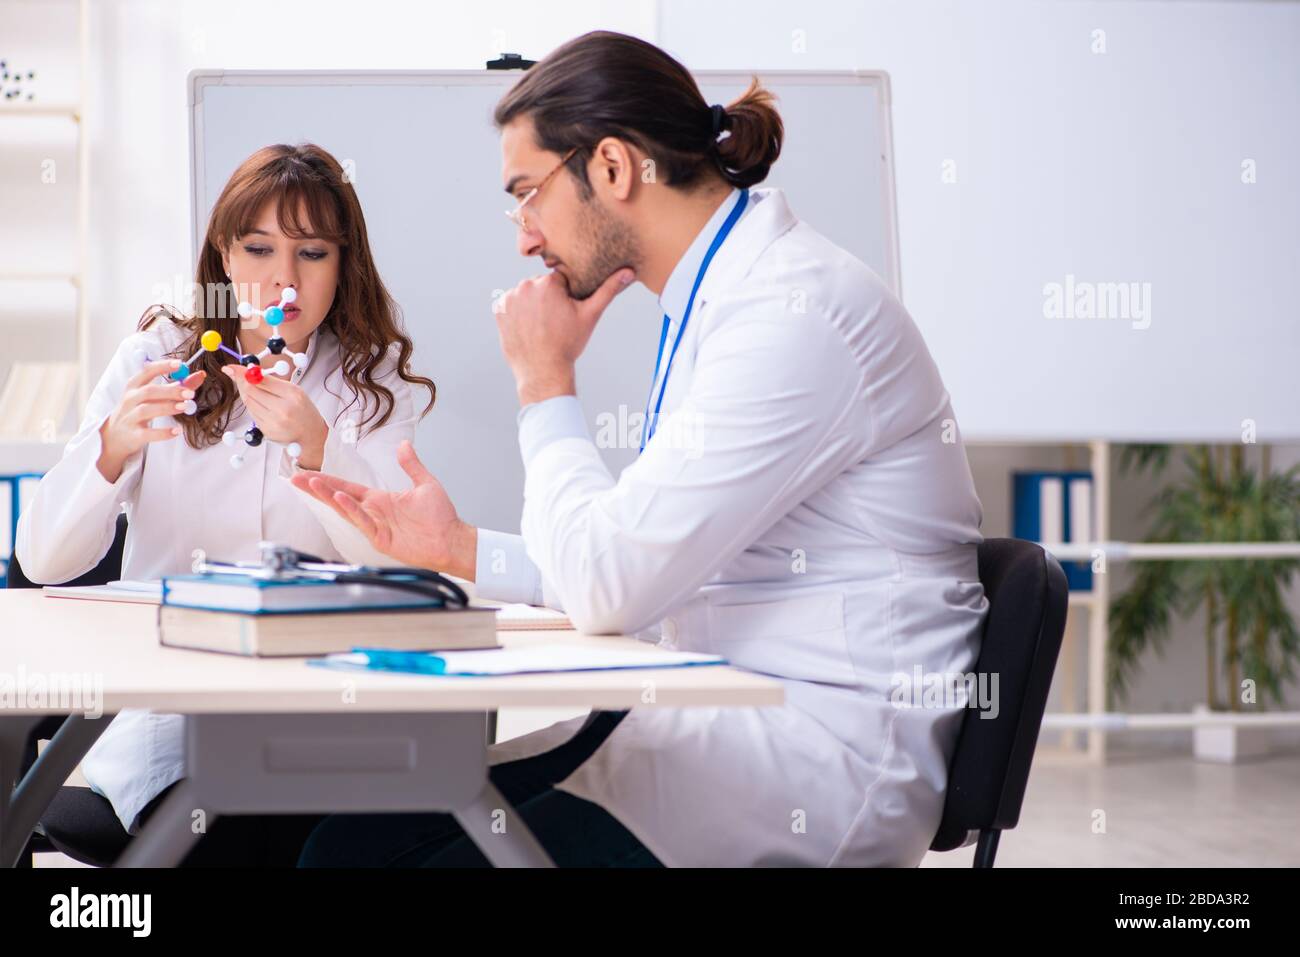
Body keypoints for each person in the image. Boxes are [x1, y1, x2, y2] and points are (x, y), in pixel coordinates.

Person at [294, 31, 987, 867]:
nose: (523, 238)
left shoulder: (792, 316)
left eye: (528, 194)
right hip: (716, 715)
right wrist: (457, 548)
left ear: (614, 168)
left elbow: (608, 584)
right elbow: (637, 564)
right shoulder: (719, 299)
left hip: (812, 764)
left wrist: (545, 385)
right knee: (347, 845)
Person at [16, 142, 435, 865]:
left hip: (327, 719)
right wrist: (111, 448)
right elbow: (44, 559)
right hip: (177, 725)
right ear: (224, 254)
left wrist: (318, 449)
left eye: (312, 253)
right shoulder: (157, 354)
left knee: (361, 844)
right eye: (259, 248)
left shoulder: (375, 379)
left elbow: (402, 556)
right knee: (233, 841)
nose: (283, 278)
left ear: (345, 262)